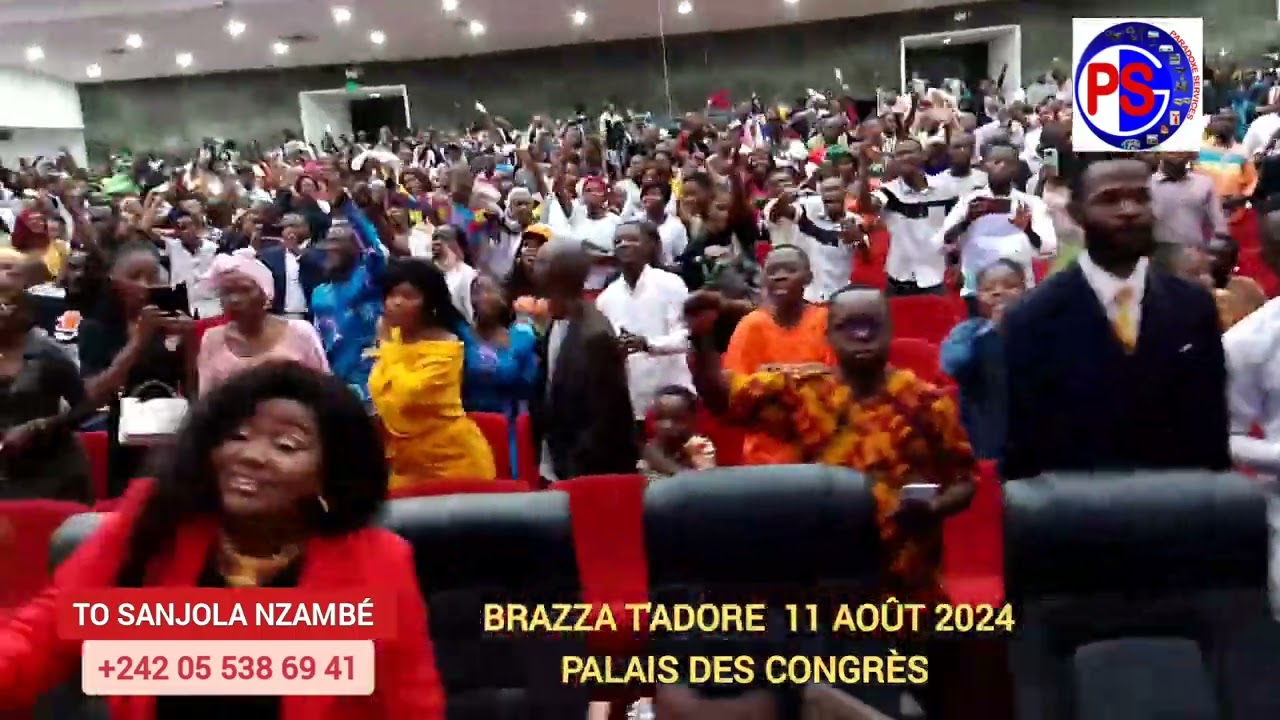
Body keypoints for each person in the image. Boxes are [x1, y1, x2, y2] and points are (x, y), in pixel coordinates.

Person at [0, 363, 445, 717]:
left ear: (329, 475)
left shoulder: (376, 562)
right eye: (236, 436)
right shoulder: (158, 518)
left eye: (287, 446)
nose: (252, 456)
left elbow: (410, 704)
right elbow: (51, 627)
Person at [686, 283, 975, 605]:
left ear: (891, 329)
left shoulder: (926, 402)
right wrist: (703, 337)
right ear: (828, 335)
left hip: (908, 582)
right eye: (847, 326)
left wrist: (934, 508)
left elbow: (965, 482)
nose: (862, 335)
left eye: (872, 325)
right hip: (827, 579)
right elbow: (721, 399)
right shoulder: (801, 393)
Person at [1001, 159, 1231, 480]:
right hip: (1077, 510)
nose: (1129, 210)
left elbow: (1212, 429)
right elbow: (1022, 448)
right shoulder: (1032, 317)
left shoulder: (1193, 306)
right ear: (1076, 212)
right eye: (1109, 200)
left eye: (1141, 198)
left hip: (1179, 509)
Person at [78, 243, 195, 497]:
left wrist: (192, 344)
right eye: (134, 277)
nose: (144, 285)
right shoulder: (95, 328)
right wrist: (139, 341)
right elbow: (92, 395)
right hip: (124, 439)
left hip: (172, 434)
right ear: (114, 281)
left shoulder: (175, 322)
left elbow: (195, 390)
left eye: (153, 277)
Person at [369, 258, 496, 489]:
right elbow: (380, 391)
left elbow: (406, 395)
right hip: (405, 464)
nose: (395, 303)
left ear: (430, 302)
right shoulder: (395, 339)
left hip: (453, 462)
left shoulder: (447, 348)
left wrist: (386, 345)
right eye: (391, 295)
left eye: (408, 296)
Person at [531, 240, 637, 482]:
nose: (533, 266)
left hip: (584, 474)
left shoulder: (595, 335)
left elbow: (605, 422)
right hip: (554, 464)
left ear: (561, 274)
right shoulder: (555, 321)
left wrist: (573, 474)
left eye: (542, 261)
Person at [723, 245, 833, 465]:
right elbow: (737, 392)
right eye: (772, 271)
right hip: (765, 453)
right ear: (763, 279)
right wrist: (807, 374)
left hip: (825, 447)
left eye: (790, 269)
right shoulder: (750, 326)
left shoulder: (827, 320)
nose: (780, 276)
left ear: (808, 277)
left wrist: (773, 377)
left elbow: (837, 383)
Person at [937, 142, 1057, 315]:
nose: (1002, 166)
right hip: (977, 291)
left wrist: (1027, 229)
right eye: (996, 161)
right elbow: (942, 243)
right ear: (984, 164)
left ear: (1017, 167)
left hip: (1019, 289)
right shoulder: (968, 202)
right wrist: (967, 220)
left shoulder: (1032, 204)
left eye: (1008, 162)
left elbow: (1049, 249)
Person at [0, 286, 94, 502]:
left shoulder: (48, 355)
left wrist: (39, 427)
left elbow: (84, 408)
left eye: (4, 305)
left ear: (25, 314)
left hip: (50, 474)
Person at [596, 221, 693, 423]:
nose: (623, 245)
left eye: (632, 239)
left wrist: (647, 344)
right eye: (618, 241)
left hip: (673, 399)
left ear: (650, 246)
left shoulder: (671, 284)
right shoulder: (606, 298)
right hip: (632, 401)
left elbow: (687, 337)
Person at [195, 249, 329, 394]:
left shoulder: (300, 333)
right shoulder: (212, 339)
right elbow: (207, 401)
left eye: (245, 290)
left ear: (266, 295)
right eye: (226, 292)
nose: (234, 299)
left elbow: (324, 390)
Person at [939, 259, 1024, 462]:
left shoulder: (1040, 327)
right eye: (988, 289)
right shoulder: (966, 332)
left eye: (1009, 286)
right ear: (977, 297)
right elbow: (953, 365)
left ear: (1025, 290)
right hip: (984, 423)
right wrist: (992, 331)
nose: (998, 293)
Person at [310, 187, 386, 407]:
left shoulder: (366, 282)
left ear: (354, 249)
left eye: (337, 246)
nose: (329, 251)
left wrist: (349, 209)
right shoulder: (319, 292)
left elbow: (376, 251)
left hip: (367, 378)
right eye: (328, 246)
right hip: (332, 379)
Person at [462, 272, 539, 461]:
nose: (482, 297)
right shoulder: (461, 336)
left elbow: (529, 387)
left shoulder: (522, 337)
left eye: (489, 291)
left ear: (504, 297)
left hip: (508, 427)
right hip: (470, 428)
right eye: (476, 291)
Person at [638, 385, 716, 481]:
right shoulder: (653, 449)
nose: (667, 425)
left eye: (677, 419)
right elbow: (652, 453)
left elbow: (709, 481)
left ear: (694, 420)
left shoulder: (701, 447)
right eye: (660, 418)